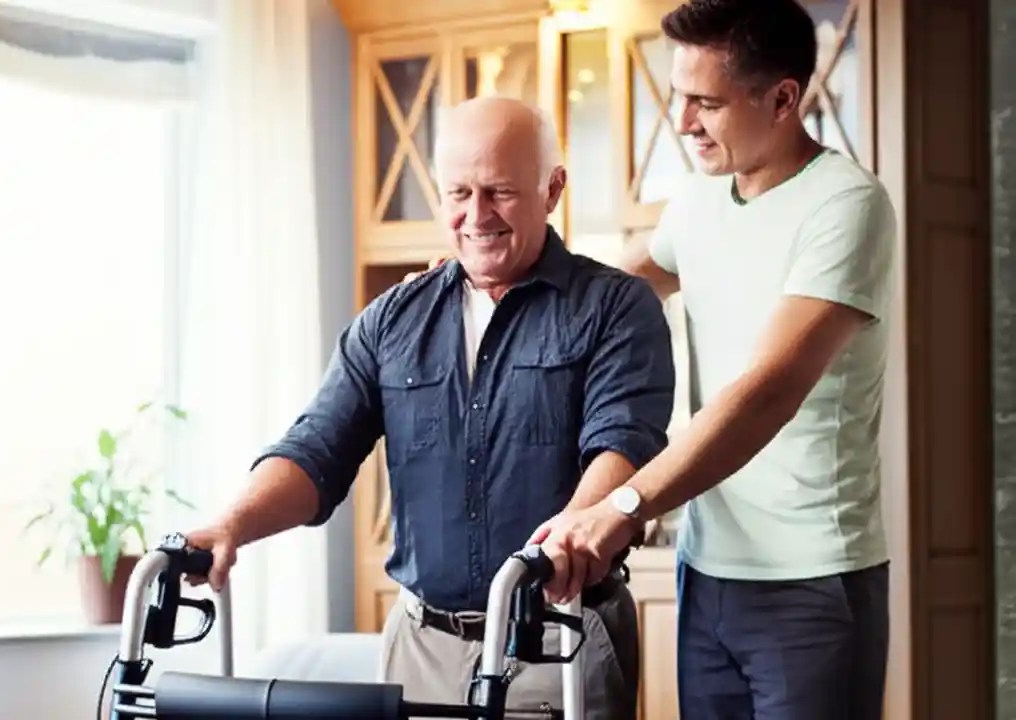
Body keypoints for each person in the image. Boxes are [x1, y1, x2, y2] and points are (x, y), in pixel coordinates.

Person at [182, 96, 676, 718]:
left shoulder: (615, 307)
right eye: (459, 193)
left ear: (552, 190)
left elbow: (622, 444)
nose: (477, 215)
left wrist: (567, 539)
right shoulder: (393, 318)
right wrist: (232, 524)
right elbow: (317, 449)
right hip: (420, 647)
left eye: (499, 191)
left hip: (556, 637)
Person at [529, 1, 898, 718]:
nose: (685, 123)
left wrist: (625, 505)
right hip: (708, 572)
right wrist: (479, 277)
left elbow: (767, 391)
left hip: (814, 582)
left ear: (784, 98)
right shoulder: (695, 203)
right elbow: (600, 301)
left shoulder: (847, 206)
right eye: (680, 99)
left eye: (707, 103)